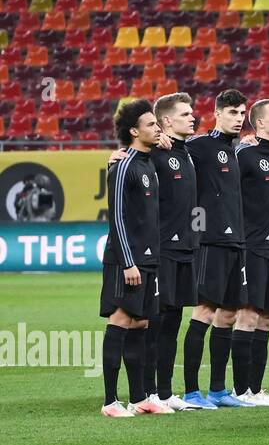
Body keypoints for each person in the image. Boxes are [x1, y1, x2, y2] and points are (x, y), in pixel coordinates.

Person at [100, 99, 169, 417]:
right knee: (121, 319)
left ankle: (139, 397)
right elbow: (116, 217)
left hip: (149, 257)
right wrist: (128, 261)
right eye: (152, 124)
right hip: (125, 259)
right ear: (133, 131)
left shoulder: (148, 162)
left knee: (141, 322)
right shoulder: (123, 165)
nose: (158, 128)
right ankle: (110, 401)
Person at [184, 89, 252, 407]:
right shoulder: (198, 146)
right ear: (217, 113)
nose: (239, 119)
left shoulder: (234, 150)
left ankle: (218, 390)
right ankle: (191, 391)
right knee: (205, 312)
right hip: (210, 241)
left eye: (242, 113)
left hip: (236, 242)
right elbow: (166, 158)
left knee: (228, 315)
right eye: (233, 113)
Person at [233, 99, 269, 404]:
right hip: (253, 245)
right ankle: (240, 390)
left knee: (267, 318)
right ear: (259, 123)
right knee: (248, 316)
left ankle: (255, 389)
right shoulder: (245, 153)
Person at [149, 92, 202, 410]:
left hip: (186, 248)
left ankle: (166, 392)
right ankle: (147, 392)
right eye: (185, 114)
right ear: (166, 121)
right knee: (155, 322)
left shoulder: (186, 153)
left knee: (172, 323)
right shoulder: (156, 153)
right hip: (162, 249)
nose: (192, 117)